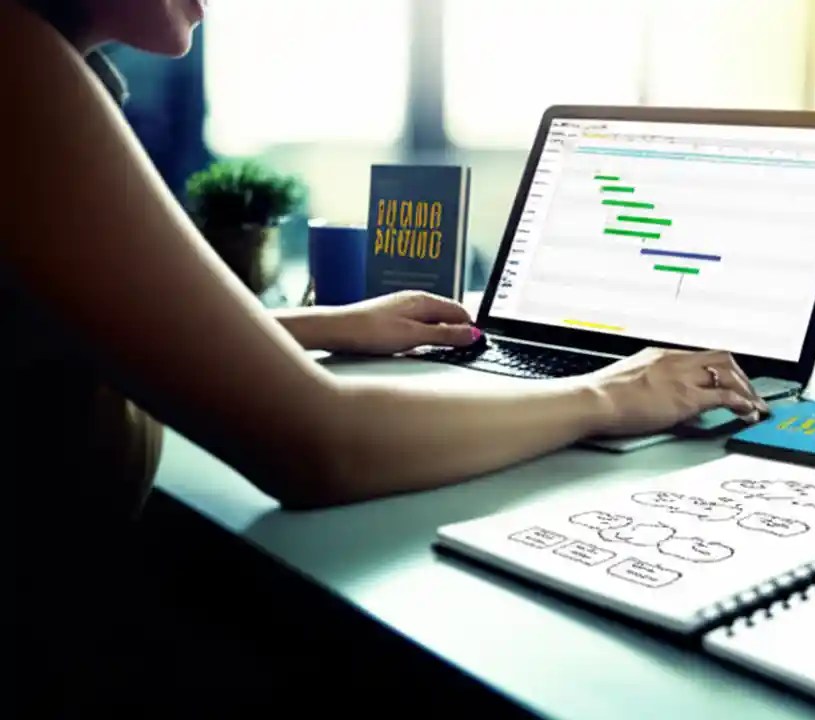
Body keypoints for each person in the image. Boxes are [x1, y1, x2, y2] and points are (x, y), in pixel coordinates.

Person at [1, 0, 768, 712]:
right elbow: (317, 444)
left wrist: (327, 327)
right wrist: (608, 395)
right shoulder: (16, 67)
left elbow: (81, 332)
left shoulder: (47, 66)